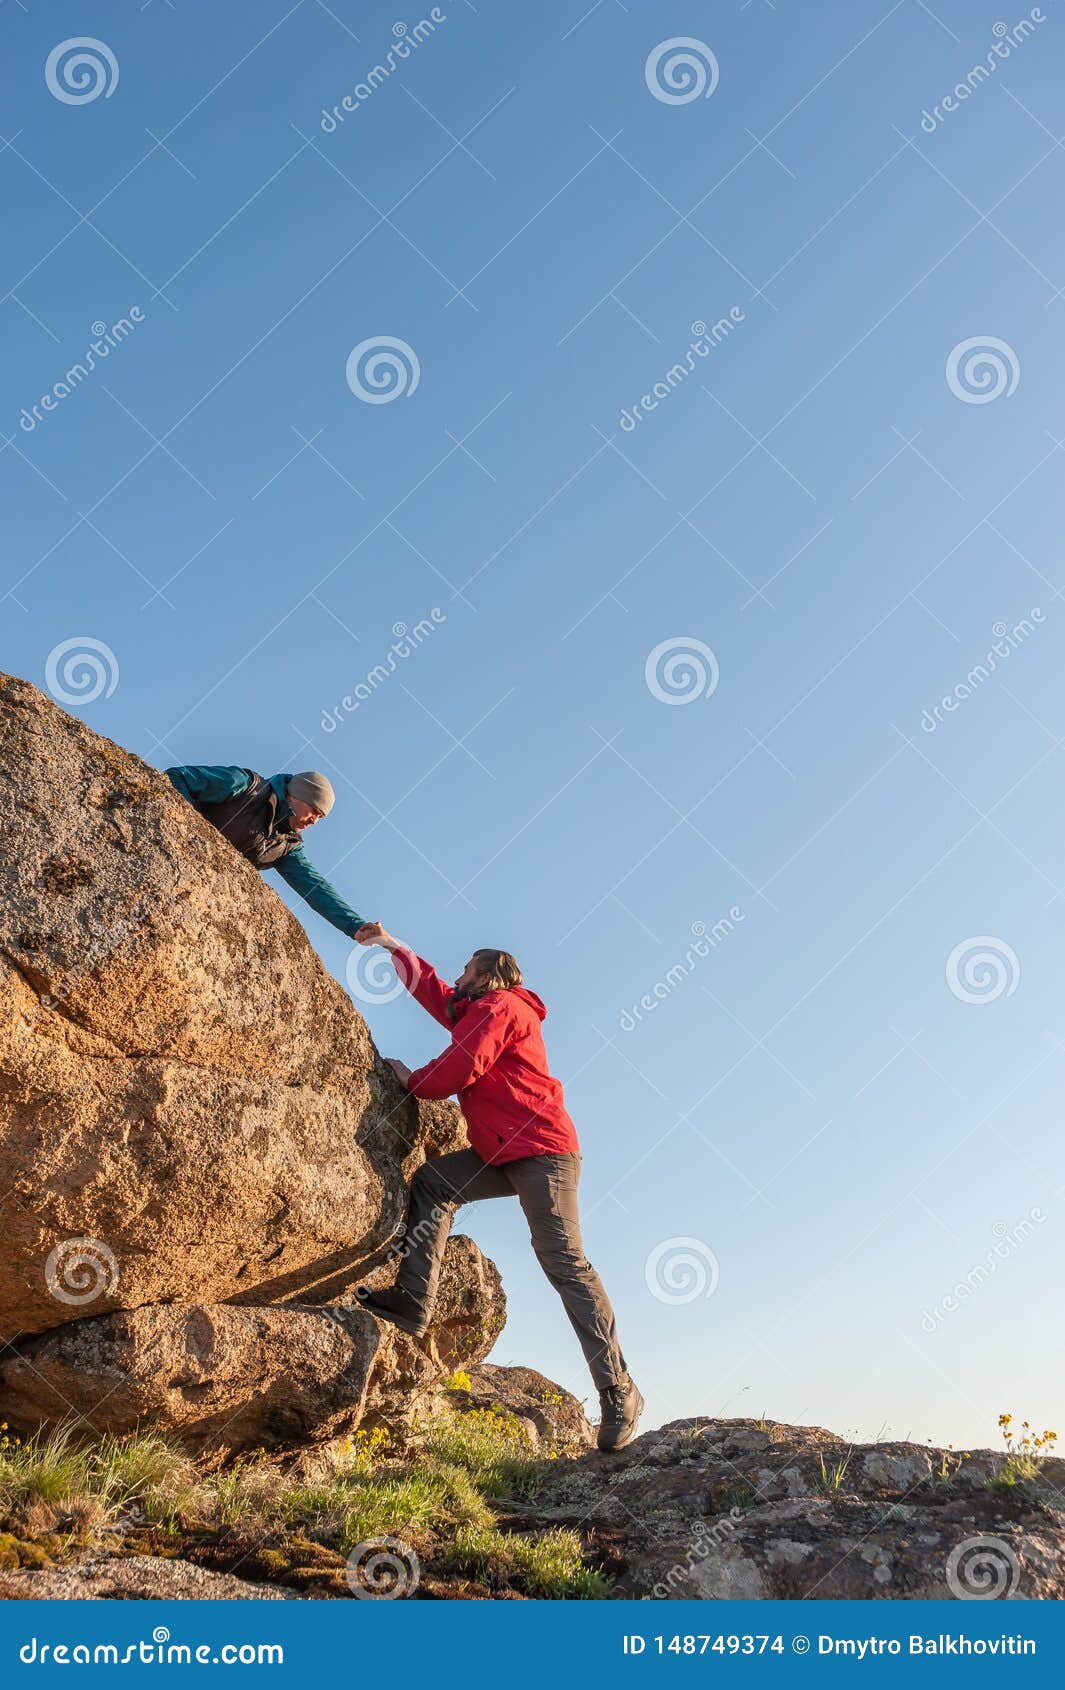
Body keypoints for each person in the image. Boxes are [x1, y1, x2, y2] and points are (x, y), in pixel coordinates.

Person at [352, 923, 643, 1453]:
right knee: (435, 1184)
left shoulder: (504, 1008)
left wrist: (408, 1078)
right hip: (500, 1152)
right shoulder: (477, 1010)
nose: (458, 976)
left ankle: (618, 1389)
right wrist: (394, 949)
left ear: (487, 976)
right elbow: (437, 994)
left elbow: (461, 1068)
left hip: (544, 1154)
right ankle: (412, 1302)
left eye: (466, 968)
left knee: (564, 1263)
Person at [165, 764, 365, 939]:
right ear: (296, 796)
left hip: (197, 897)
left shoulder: (286, 845)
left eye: (320, 817)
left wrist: (355, 926)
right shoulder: (246, 786)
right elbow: (179, 776)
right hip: (169, 853)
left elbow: (315, 889)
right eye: (314, 810)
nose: (314, 820)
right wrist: (188, 833)